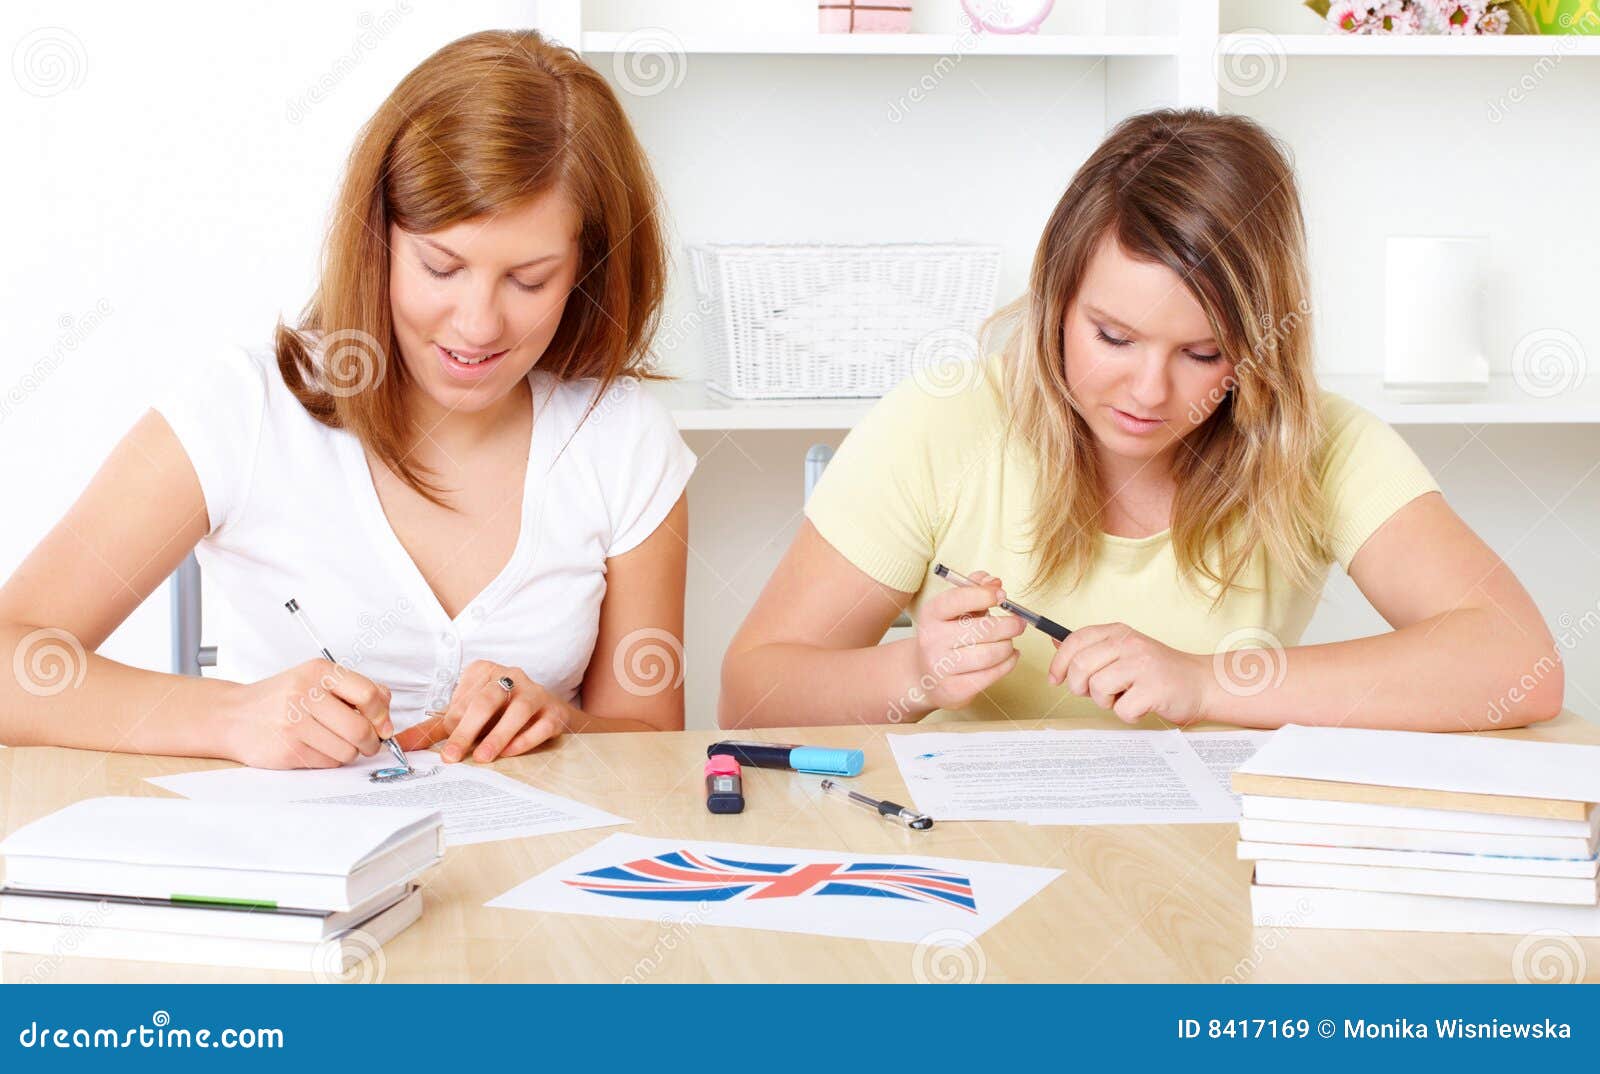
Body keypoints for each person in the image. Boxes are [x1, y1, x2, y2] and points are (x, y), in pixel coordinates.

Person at [720, 108, 1561, 732]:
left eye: (1203, 353)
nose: (1149, 392)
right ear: (1057, 300)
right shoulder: (945, 422)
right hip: (974, 862)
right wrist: (913, 673)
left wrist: (1207, 683)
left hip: (1212, 869)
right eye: (1113, 336)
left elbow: (1520, 663)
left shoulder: (1323, 443)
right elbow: (750, 694)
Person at [0, 30, 694, 768]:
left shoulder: (623, 441)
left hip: (527, 877)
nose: (478, 323)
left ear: (589, 269)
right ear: (380, 239)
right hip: (283, 870)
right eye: (441, 266)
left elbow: (655, 745)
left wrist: (558, 723)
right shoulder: (245, 410)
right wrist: (229, 717)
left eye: (529, 280)